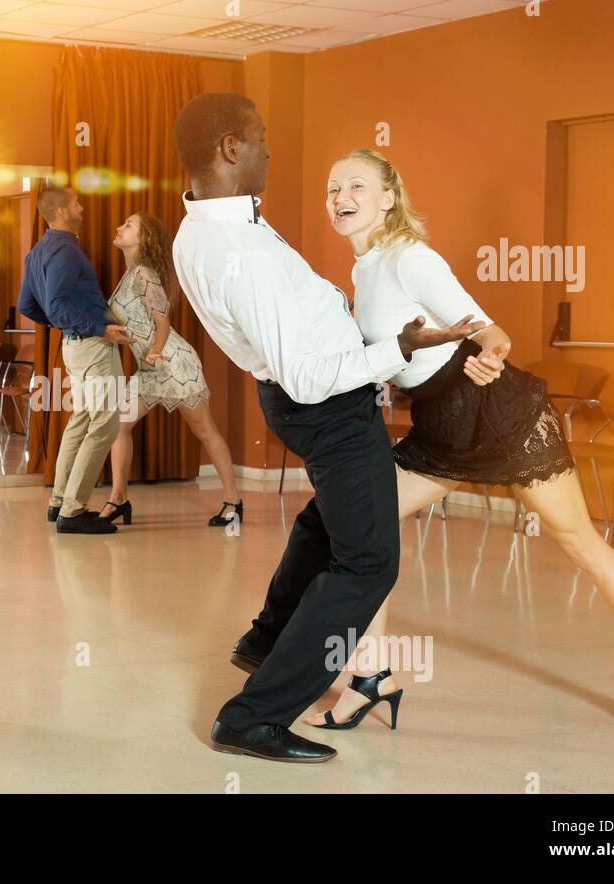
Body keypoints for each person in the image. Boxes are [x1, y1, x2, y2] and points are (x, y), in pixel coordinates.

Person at [295, 148, 614, 753]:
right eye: (332, 188)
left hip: (500, 416)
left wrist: (490, 355)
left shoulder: (410, 258)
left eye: (355, 185)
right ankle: (371, 676)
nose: (339, 197)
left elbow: (490, 328)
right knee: (359, 531)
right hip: (440, 430)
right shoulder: (365, 268)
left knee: (580, 544)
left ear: (387, 198)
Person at [170, 92, 485, 764]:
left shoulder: (200, 227)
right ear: (231, 148)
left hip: (302, 402)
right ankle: (254, 717)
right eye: (258, 137)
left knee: (328, 521)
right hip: (328, 407)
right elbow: (311, 375)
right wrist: (397, 349)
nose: (268, 149)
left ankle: (265, 639)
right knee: (369, 561)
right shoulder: (239, 250)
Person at [98, 211, 242, 528]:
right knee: (118, 426)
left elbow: (163, 322)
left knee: (204, 430)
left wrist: (154, 350)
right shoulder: (129, 275)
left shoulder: (144, 275)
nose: (120, 227)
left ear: (144, 238)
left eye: (129, 225)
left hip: (172, 362)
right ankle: (119, 498)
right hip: (150, 366)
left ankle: (233, 500)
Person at [17, 186, 134, 535]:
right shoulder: (66, 252)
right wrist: (100, 328)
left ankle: (59, 501)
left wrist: (66, 325)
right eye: (77, 203)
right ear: (63, 212)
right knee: (105, 425)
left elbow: (28, 305)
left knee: (82, 421)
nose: (82, 207)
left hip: (75, 345)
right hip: (92, 346)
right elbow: (55, 305)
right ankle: (73, 510)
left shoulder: (38, 252)